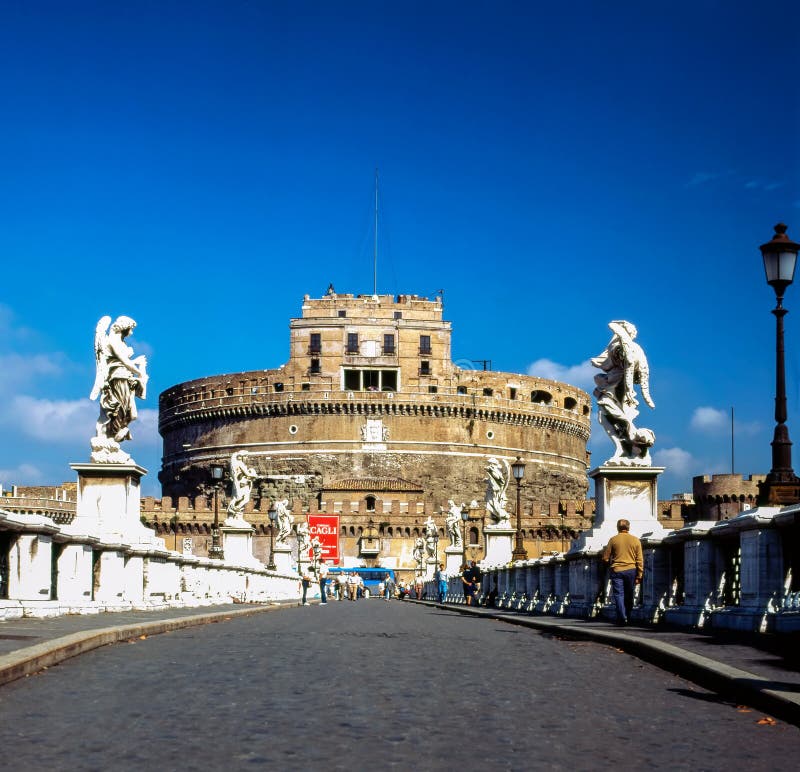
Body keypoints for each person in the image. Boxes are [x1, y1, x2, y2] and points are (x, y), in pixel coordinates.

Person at [602, 518, 643, 626]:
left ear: (617, 528)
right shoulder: (635, 540)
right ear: (628, 528)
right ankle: (628, 616)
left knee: (618, 594)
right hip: (631, 570)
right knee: (629, 594)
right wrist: (639, 574)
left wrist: (610, 564)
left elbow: (605, 558)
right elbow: (639, 560)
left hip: (617, 570)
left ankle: (622, 617)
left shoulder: (613, 540)